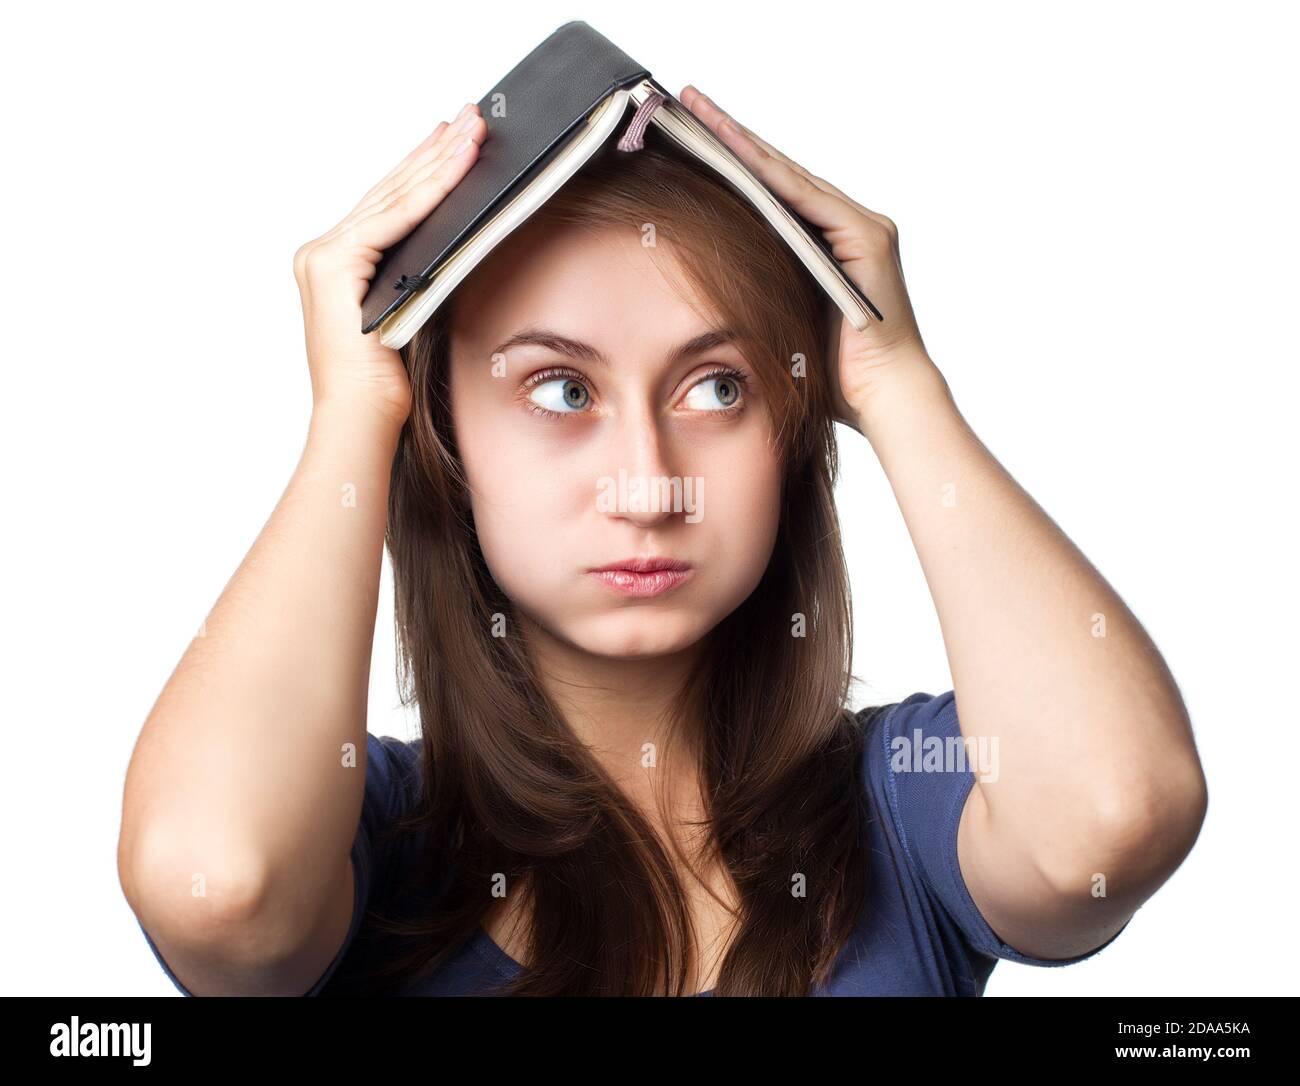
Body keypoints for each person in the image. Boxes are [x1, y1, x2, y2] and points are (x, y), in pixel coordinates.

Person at [119, 86, 1208, 996]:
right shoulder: (371, 836)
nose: (647, 483)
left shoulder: (897, 804)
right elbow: (220, 886)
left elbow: (1112, 820)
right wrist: (353, 418)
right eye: (558, 387)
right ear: (444, 434)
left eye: (716, 386)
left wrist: (899, 385)